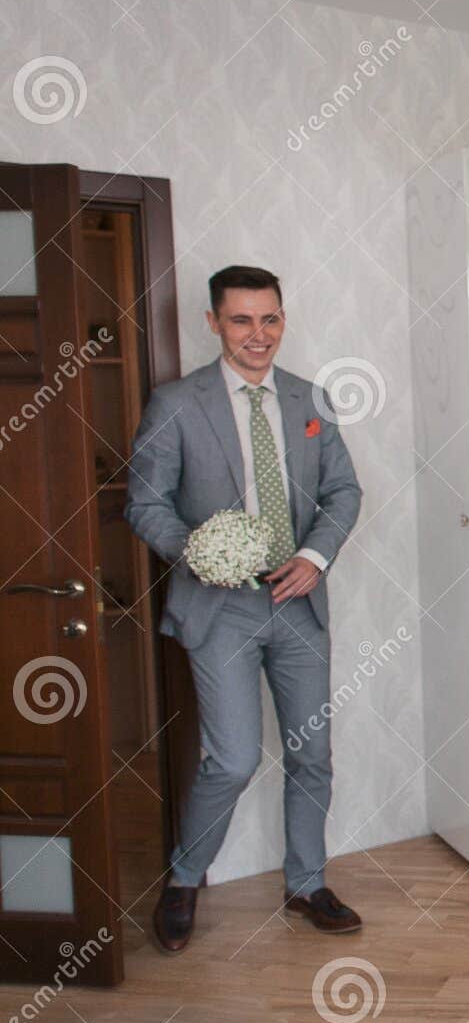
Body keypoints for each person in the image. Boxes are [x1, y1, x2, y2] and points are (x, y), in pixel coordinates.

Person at [125, 265, 364, 952]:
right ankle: (184, 877)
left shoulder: (310, 399)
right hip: (218, 608)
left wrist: (314, 558)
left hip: (298, 603)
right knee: (230, 760)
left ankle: (306, 882)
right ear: (213, 322)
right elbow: (143, 504)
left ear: (282, 319)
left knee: (311, 752)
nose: (258, 335)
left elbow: (344, 491)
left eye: (270, 319)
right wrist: (202, 550)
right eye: (241, 320)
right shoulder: (176, 403)